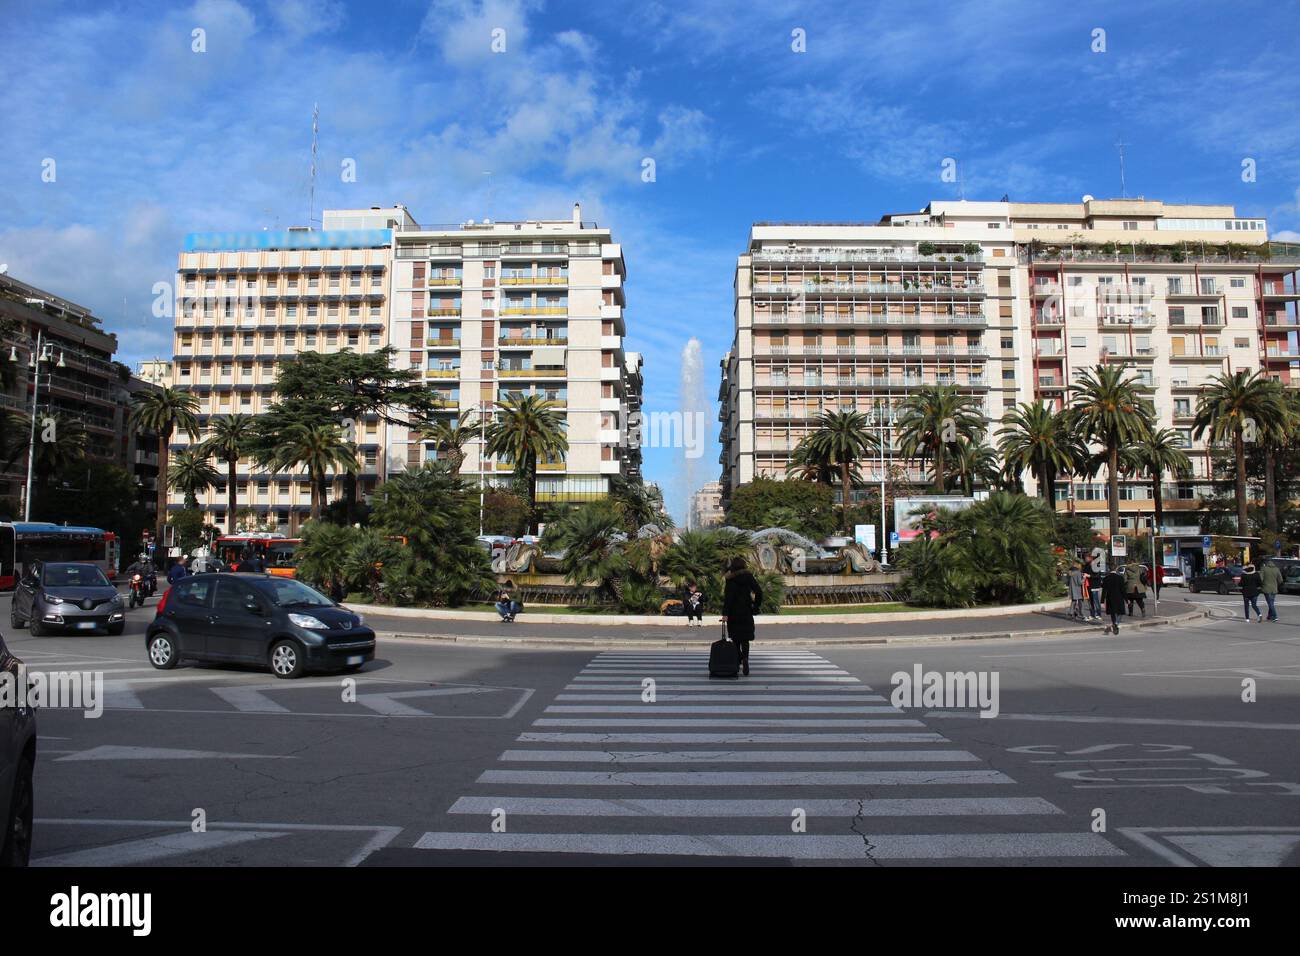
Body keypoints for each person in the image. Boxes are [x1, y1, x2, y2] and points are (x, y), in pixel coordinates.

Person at [721, 557, 763, 676]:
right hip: (746, 611)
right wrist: (756, 605)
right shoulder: (748, 576)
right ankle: (745, 659)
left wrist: (725, 614)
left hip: (734, 613)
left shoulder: (730, 579)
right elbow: (759, 591)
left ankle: (739, 658)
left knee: (735, 639)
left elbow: (728, 598)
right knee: (745, 639)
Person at [1101, 565, 1127, 635]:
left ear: (1109, 569)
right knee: (1120, 612)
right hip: (1119, 597)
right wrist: (1127, 600)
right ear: (1116, 569)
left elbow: (1104, 591)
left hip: (1110, 597)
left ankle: (1114, 624)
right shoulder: (1120, 578)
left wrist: (1102, 601)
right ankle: (1116, 623)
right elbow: (1123, 590)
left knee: (1113, 613)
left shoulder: (1106, 578)